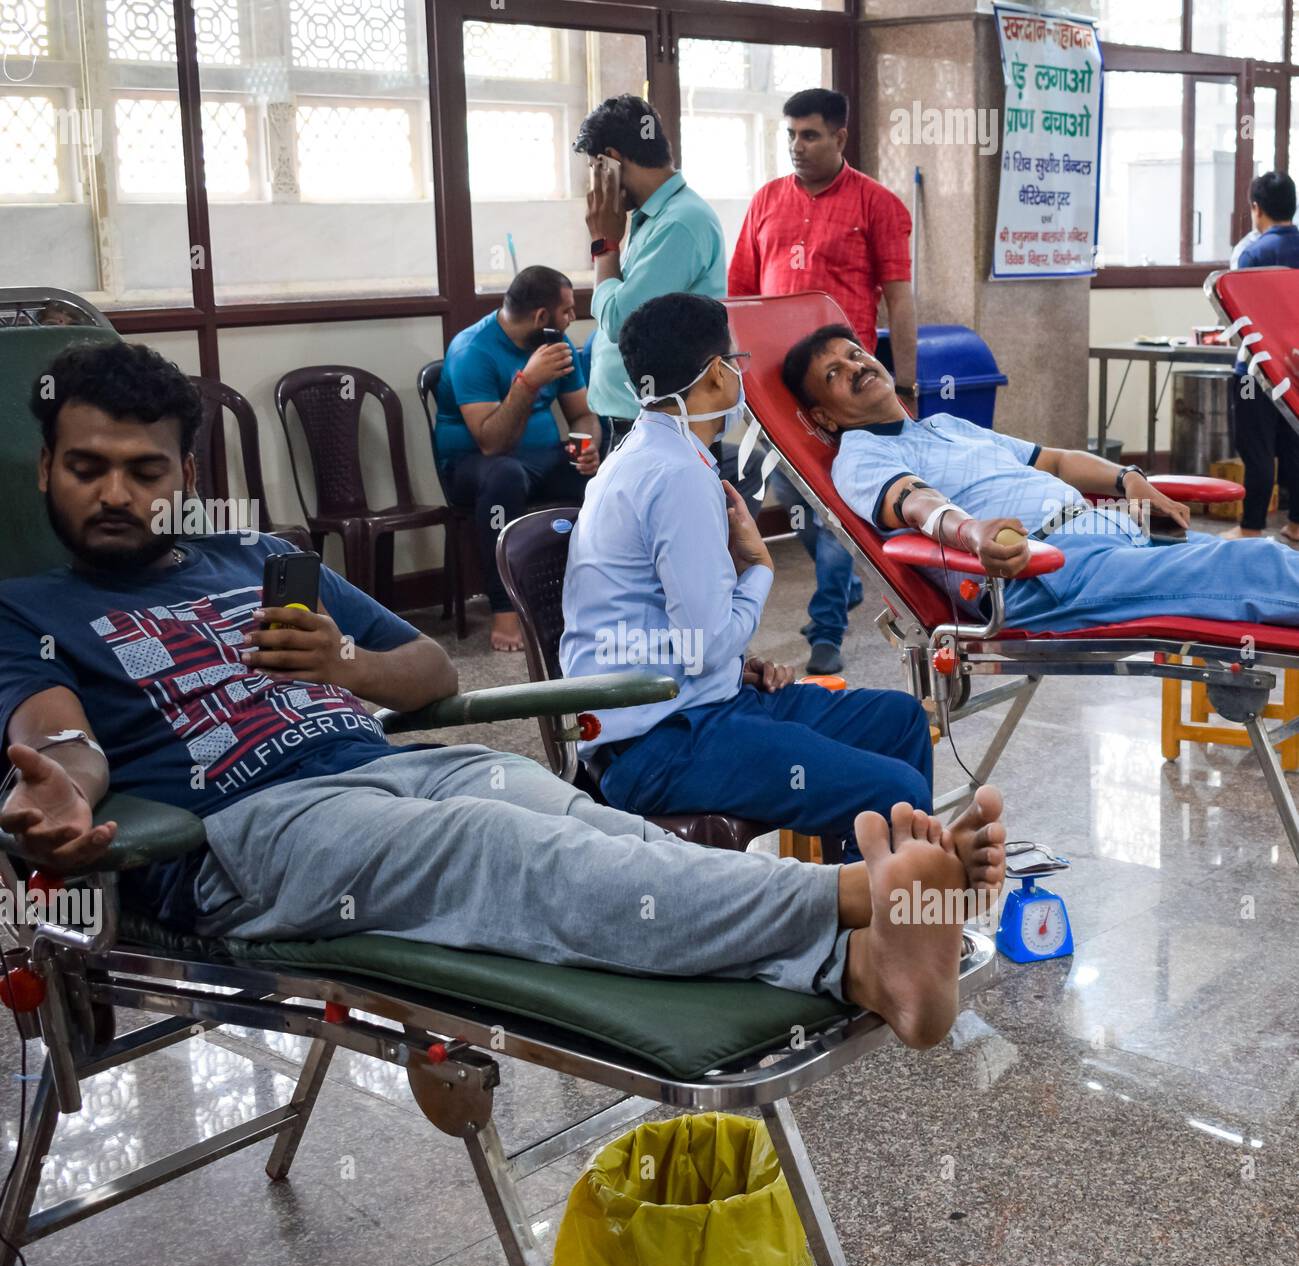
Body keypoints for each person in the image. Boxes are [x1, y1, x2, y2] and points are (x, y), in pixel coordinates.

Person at [0, 339, 1009, 1050]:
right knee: (505, 855)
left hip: (392, 765)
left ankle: (867, 970)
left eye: (143, 470)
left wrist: (341, 667)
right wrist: (64, 790)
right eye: (87, 468)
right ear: (46, 466)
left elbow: (431, 673)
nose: (116, 494)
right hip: (245, 830)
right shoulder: (28, 606)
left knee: (603, 836)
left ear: (181, 473)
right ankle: (856, 897)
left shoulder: (258, 555)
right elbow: (64, 738)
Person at [559, 293, 1004, 878]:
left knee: (897, 719)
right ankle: (869, 934)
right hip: (657, 746)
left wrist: (730, 666)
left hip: (700, 701)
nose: (741, 370)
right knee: (890, 786)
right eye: (734, 359)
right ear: (717, 373)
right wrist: (758, 568)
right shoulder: (674, 475)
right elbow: (708, 641)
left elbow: (685, 637)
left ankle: (868, 911)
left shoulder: (651, 452)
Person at [781, 324, 1299, 632]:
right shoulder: (860, 455)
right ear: (824, 416)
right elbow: (917, 503)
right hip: (1043, 572)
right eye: (833, 374)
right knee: (1253, 561)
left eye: (854, 354)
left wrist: (1129, 479)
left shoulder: (943, 426)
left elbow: (1053, 460)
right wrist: (969, 532)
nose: (854, 366)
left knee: (1241, 562)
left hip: (1103, 532)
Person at [730, 89, 916, 676]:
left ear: (840, 137)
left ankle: (828, 625)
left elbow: (900, 301)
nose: (796, 146)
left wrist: (905, 384)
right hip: (770, 391)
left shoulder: (877, 204)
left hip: (840, 392)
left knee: (833, 510)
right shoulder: (765, 201)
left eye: (809, 135)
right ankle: (846, 585)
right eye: (789, 134)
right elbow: (739, 294)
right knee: (786, 497)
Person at [435, 265, 602, 653]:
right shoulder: (472, 350)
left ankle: (594, 597)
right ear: (542, 317)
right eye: (567, 311)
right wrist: (528, 382)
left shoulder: (557, 345)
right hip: (472, 465)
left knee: (599, 477)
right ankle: (504, 610)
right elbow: (492, 442)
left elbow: (582, 415)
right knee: (505, 476)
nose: (574, 318)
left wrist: (586, 447)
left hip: (540, 459)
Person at [574, 95, 726, 445]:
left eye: (594, 169)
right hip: (636, 420)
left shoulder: (680, 222)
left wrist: (604, 244)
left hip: (657, 426)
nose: (594, 186)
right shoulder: (651, 218)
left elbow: (618, 321)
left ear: (610, 160)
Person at [1225, 172, 1299, 543]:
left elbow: (1240, 319)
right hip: (1297, 371)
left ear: (1257, 208)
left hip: (1255, 373)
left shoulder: (1252, 252)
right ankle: (1298, 524)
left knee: (1256, 448)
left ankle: (1252, 525)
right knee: (1296, 444)